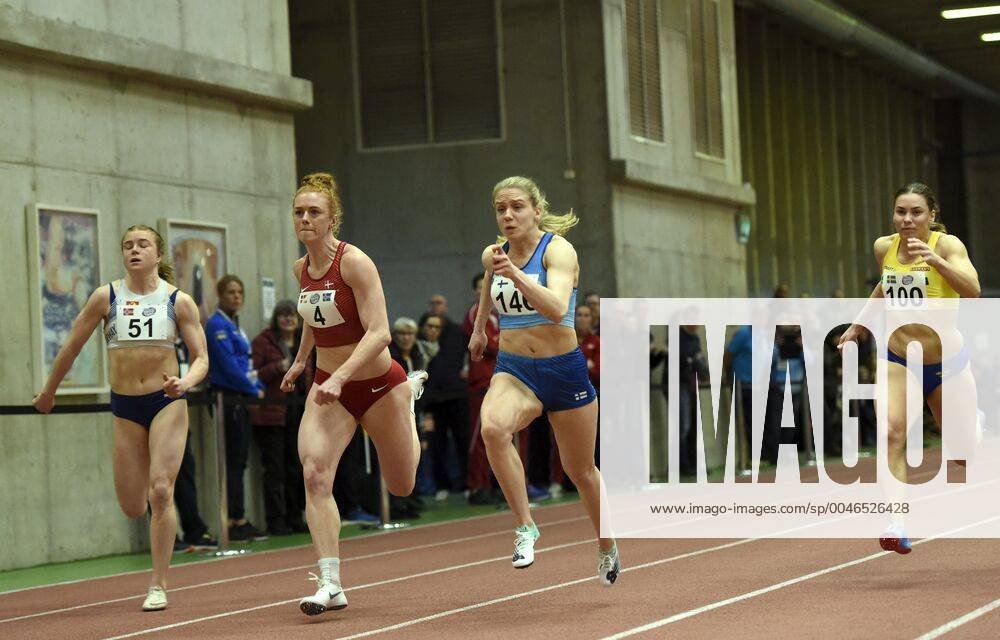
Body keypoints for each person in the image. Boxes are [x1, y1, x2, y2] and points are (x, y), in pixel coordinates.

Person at [33, 225, 208, 612]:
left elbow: (201, 358)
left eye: (143, 244)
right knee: (132, 505)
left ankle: (158, 584)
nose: (134, 250)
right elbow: (71, 345)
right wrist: (49, 390)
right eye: (127, 245)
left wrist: (187, 382)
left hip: (166, 401)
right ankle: (156, 523)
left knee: (160, 489)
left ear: (157, 255)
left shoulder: (178, 301)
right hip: (125, 408)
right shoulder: (105, 297)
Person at [280, 172, 427, 615]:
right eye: (299, 213)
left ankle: (408, 397)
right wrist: (303, 361)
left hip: (379, 386)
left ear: (332, 219)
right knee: (314, 474)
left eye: (314, 213)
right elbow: (314, 317)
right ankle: (330, 581)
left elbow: (381, 332)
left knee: (401, 485)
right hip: (329, 389)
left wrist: (342, 375)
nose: (305, 219)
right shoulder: (300, 269)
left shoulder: (355, 263)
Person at [469, 176, 620, 586]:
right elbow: (489, 282)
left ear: (537, 210)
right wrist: (481, 328)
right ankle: (525, 526)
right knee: (493, 428)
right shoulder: (494, 253)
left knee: (580, 469)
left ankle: (606, 543)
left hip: (562, 369)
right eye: (501, 208)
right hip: (516, 369)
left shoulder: (558, 250)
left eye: (517, 207)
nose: (508, 215)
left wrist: (516, 273)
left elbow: (556, 308)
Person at [839, 182, 980, 554]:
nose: (907, 219)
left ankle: (973, 424)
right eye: (901, 211)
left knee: (963, 454)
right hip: (899, 358)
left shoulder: (948, 246)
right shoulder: (883, 247)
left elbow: (974, 289)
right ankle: (895, 521)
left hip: (945, 363)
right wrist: (858, 326)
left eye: (916, 212)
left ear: (931, 216)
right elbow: (885, 288)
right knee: (891, 433)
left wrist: (935, 261)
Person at [205, 274, 267, 543]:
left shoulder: (235, 326)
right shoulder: (217, 325)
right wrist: (254, 390)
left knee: (239, 460)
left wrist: (257, 383)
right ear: (220, 295)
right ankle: (233, 520)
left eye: (240, 292)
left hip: (241, 396)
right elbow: (229, 366)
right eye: (230, 292)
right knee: (232, 461)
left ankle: (239, 516)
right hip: (228, 397)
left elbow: (246, 363)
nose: (236, 297)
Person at [250, 300, 310, 535]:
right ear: (276, 318)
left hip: (297, 412)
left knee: (296, 467)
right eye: (283, 315)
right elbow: (252, 374)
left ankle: (296, 517)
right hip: (271, 414)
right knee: (274, 469)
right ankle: (276, 521)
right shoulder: (264, 341)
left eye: (292, 315)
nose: (288, 319)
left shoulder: (302, 342)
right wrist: (278, 367)